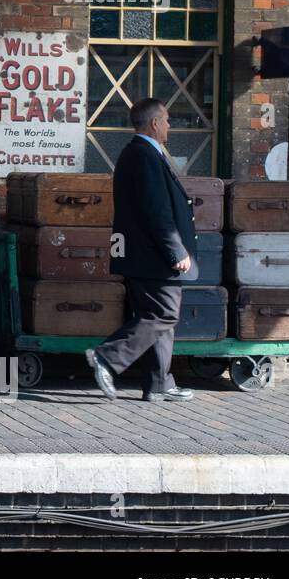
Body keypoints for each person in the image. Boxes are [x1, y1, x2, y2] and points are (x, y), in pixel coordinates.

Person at [84, 98, 197, 403]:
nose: (170, 125)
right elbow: (156, 211)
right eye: (168, 120)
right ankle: (107, 357)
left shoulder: (140, 153)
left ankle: (159, 382)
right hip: (153, 256)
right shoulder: (143, 155)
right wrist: (176, 251)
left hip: (144, 255)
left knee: (156, 316)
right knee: (163, 313)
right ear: (155, 123)